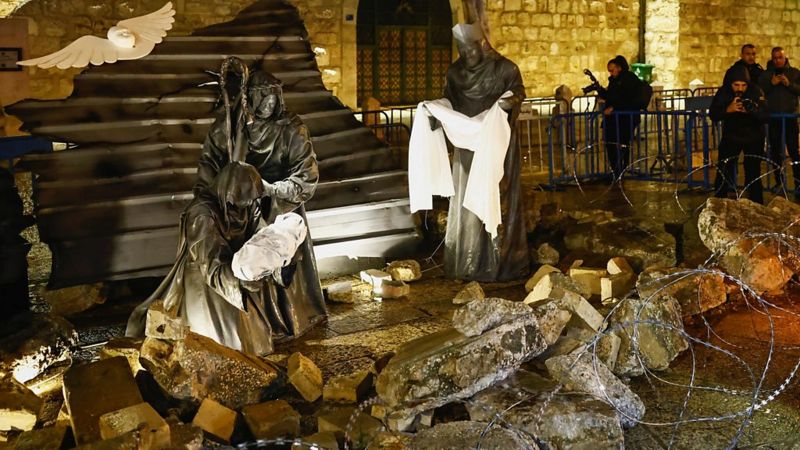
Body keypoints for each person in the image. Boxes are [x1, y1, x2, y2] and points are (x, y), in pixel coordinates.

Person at [194, 64, 326, 344]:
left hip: (282, 204)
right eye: (262, 98)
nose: (269, 104)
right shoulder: (230, 126)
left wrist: (268, 190)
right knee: (245, 260)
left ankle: (288, 318)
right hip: (238, 205)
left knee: (281, 259)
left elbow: (307, 176)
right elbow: (209, 162)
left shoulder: (292, 128)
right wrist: (214, 196)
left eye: (274, 99)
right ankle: (251, 322)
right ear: (249, 99)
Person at [126, 161, 276, 355]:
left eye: (250, 200)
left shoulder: (248, 204)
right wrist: (238, 280)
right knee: (223, 342)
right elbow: (209, 259)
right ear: (228, 192)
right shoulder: (202, 213)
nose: (246, 205)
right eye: (242, 200)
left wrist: (269, 252)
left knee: (254, 334)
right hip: (207, 275)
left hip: (236, 270)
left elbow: (259, 231)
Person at [437, 22, 529, 282]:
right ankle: (466, 259)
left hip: (497, 145)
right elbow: (448, 99)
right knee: (466, 198)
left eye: (470, 51)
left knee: (498, 196)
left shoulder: (505, 68)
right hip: (467, 145)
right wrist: (436, 109)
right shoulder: (455, 73)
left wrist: (506, 103)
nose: (466, 56)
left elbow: (518, 93)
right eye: (462, 51)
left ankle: (502, 260)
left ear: (481, 46)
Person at [710, 65, 769, 204]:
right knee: (723, 171)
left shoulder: (755, 91)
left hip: (753, 137)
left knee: (753, 173)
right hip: (731, 136)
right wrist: (728, 110)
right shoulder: (724, 92)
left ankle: (756, 206)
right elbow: (713, 114)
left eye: (743, 85)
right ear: (730, 83)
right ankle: (718, 205)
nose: (740, 89)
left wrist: (752, 111)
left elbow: (766, 116)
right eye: (736, 85)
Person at [596, 55, 648, 178]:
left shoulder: (628, 79)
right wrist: (599, 89)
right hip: (613, 119)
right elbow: (611, 96)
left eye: (612, 70)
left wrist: (613, 108)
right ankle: (616, 170)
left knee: (622, 144)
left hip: (625, 119)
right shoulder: (614, 81)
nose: (611, 73)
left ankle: (621, 170)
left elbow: (627, 98)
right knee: (611, 144)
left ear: (619, 68)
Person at [758, 47, 800, 194]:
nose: (777, 60)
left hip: (790, 118)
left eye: (780, 57)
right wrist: (771, 84)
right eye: (775, 58)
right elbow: (759, 91)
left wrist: (789, 84)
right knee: (775, 151)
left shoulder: (794, 73)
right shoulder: (766, 75)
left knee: (794, 150)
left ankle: (798, 183)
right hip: (774, 118)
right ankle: (779, 182)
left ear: (785, 57)